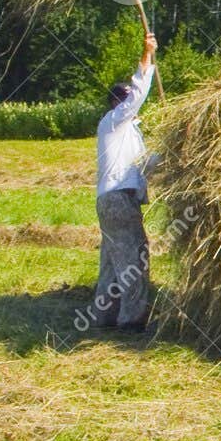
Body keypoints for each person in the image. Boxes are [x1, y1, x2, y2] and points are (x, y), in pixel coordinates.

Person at [94, 31, 157, 330]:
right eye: (127, 99)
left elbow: (144, 164)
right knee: (134, 258)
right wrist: (147, 55)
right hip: (118, 200)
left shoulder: (128, 132)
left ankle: (104, 316)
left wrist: (177, 151)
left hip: (114, 201)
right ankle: (132, 320)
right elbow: (137, 94)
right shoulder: (113, 121)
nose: (133, 103)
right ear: (117, 103)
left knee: (112, 261)